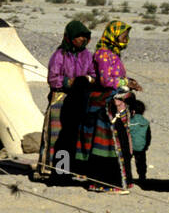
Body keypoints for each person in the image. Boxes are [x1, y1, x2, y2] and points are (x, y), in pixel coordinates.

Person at [72, 20, 141, 193]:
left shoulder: (114, 54)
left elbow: (115, 78)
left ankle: (119, 180)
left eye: (127, 36)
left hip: (115, 102)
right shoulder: (103, 54)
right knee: (107, 145)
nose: (126, 39)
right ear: (114, 36)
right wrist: (126, 83)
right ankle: (103, 182)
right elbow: (105, 80)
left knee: (120, 143)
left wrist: (128, 83)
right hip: (104, 106)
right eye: (123, 35)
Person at [35, 20, 94, 182]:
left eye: (85, 36)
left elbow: (93, 73)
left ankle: (73, 170)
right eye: (79, 36)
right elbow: (53, 79)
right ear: (70, 37)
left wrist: (87, 80)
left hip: (80, 99)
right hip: (60, 100)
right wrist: (71, 82)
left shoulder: (87, 55)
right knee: (58, 136)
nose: (82, 39)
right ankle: (57, 171)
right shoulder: (59, 55)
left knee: (77, 135)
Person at [126, 97, 151, 186]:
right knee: (141, 162)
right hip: (141, 146)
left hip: (130, 145)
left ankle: (127, 178)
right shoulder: (146, 122)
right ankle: (142, 176)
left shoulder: (129, 121)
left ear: (132, 111)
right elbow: (148, 136)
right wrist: (147, 145)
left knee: (127, 161)